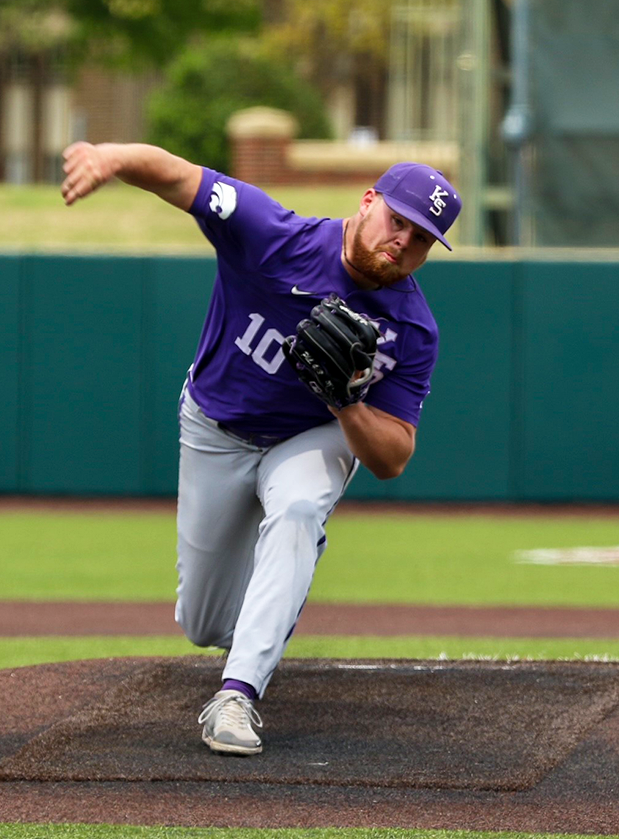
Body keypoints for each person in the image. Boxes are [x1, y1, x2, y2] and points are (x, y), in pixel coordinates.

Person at [60, 142, 461, 755]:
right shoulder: (273, 235)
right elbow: (181, 177)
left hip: (313, 434)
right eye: (398, 220)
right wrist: (111, 158)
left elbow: (393, 457)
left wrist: (347, 403)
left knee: (300, 509)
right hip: (215, 428)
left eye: (422, 237)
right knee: (203, 623)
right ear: (368, 202)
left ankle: (236, 696)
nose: (403, 241)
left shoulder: (411, 329)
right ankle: (258, 622)